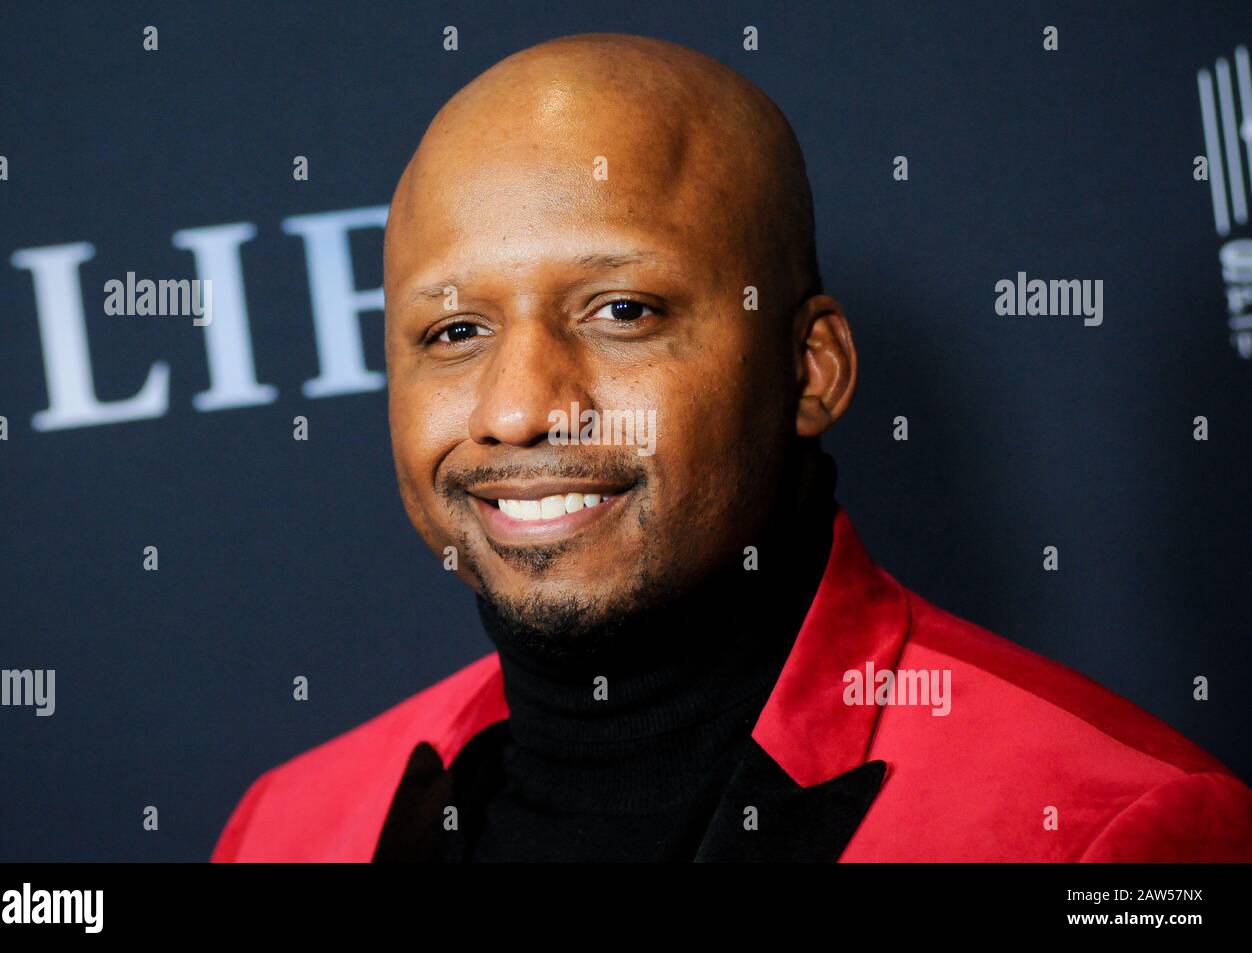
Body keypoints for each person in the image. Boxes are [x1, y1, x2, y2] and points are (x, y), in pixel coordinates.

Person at [211, 33, 1252, 862]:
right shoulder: (285, 828)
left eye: (620, 309)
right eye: (452, 332)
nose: (521, 408)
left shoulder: (1106, 830)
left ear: (809, 369)